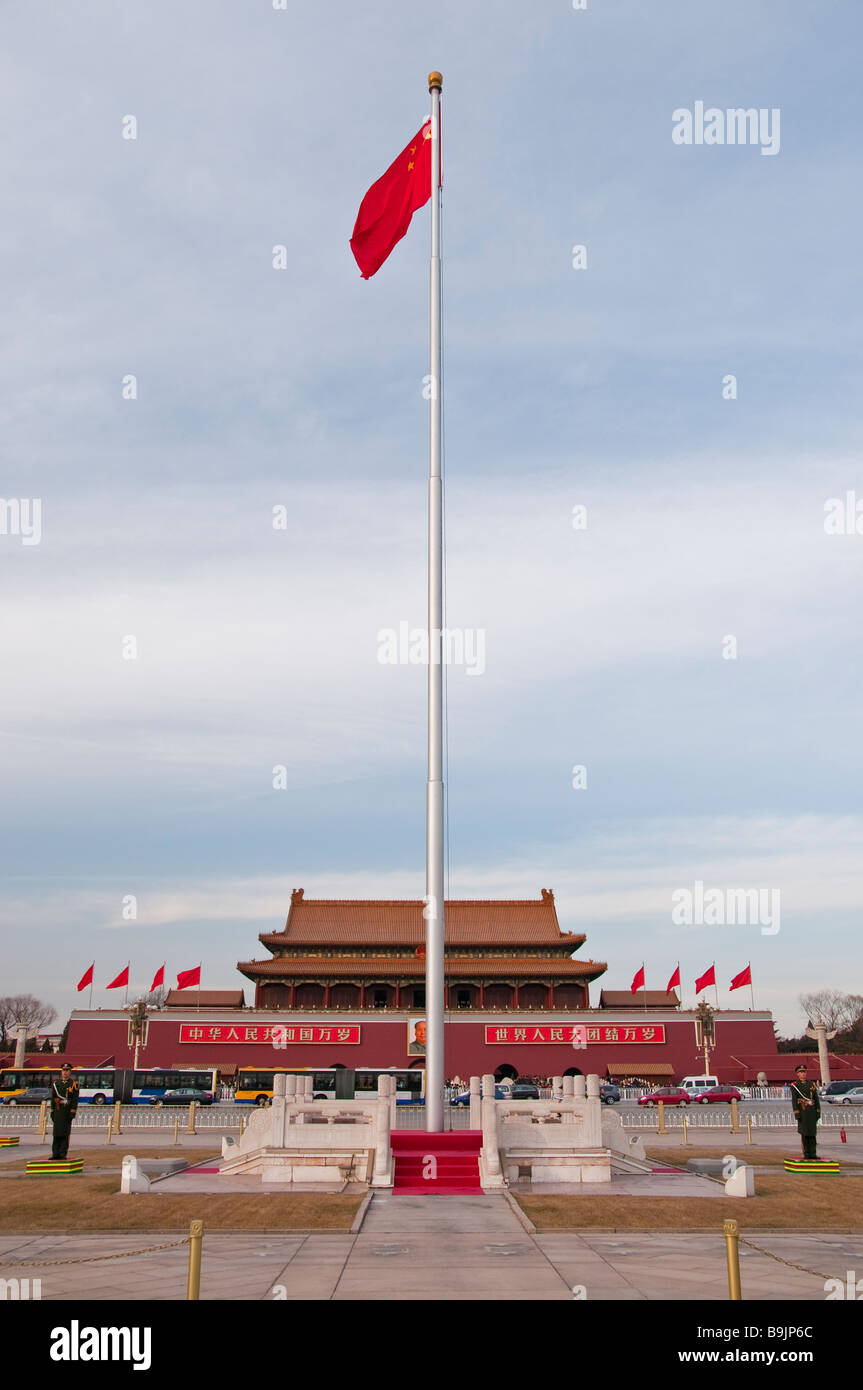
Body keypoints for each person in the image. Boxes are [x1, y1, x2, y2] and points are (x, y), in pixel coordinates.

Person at [790, 1063, 821, 1160]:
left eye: (804, 1072)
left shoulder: (811, 1084)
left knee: (812, 1133)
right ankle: (806, 1153)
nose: (803, 1074)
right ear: (797, 1074)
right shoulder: (795, 1086)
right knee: (805, 1133)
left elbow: (816, 1099)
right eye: (801, 1072)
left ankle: (813, 1153)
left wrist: (818, 1111)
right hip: (803, 1112)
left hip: (811, 1112)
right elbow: (794, 1100)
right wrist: (796, 1113)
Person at [50, 1064, 79, 1161]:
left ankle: (62, 1153)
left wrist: (72, 1112)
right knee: (56, 1133)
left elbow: (74, 1099)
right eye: (63, 1070)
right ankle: (55, 1153)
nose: (65, 1072)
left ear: (70, 1072)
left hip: (66, 1112)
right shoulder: (56, 1084)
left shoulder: (73, 1084)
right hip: (58, 1111)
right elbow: (53, 1098)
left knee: (65, 1134)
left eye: (67, 1070)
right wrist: (52, 1110)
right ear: (61, 1071)